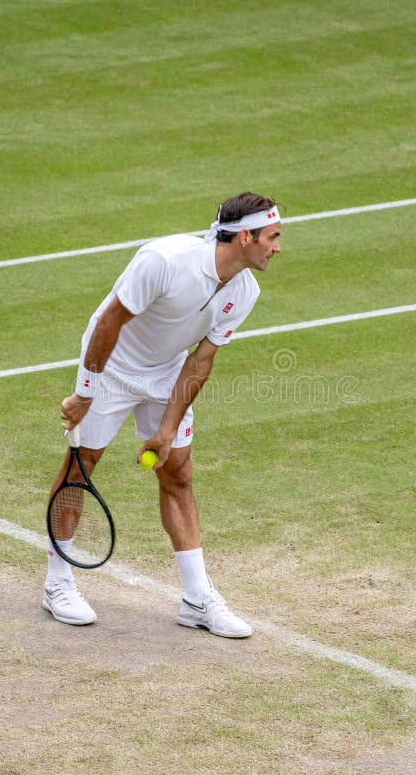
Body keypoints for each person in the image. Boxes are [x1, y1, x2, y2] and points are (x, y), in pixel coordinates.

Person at [43, 192, 282, 638]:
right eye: (273, 237)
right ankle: (57, 583)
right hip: (111, 365)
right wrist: (84, 392)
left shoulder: (246, 290)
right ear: (245, 236)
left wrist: (168, 430)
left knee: (178, 473)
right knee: (82, 466)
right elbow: (108, 322)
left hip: (167, 371)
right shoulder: (164, 260)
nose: (278, 246)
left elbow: (200, 360)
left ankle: (196, 599)